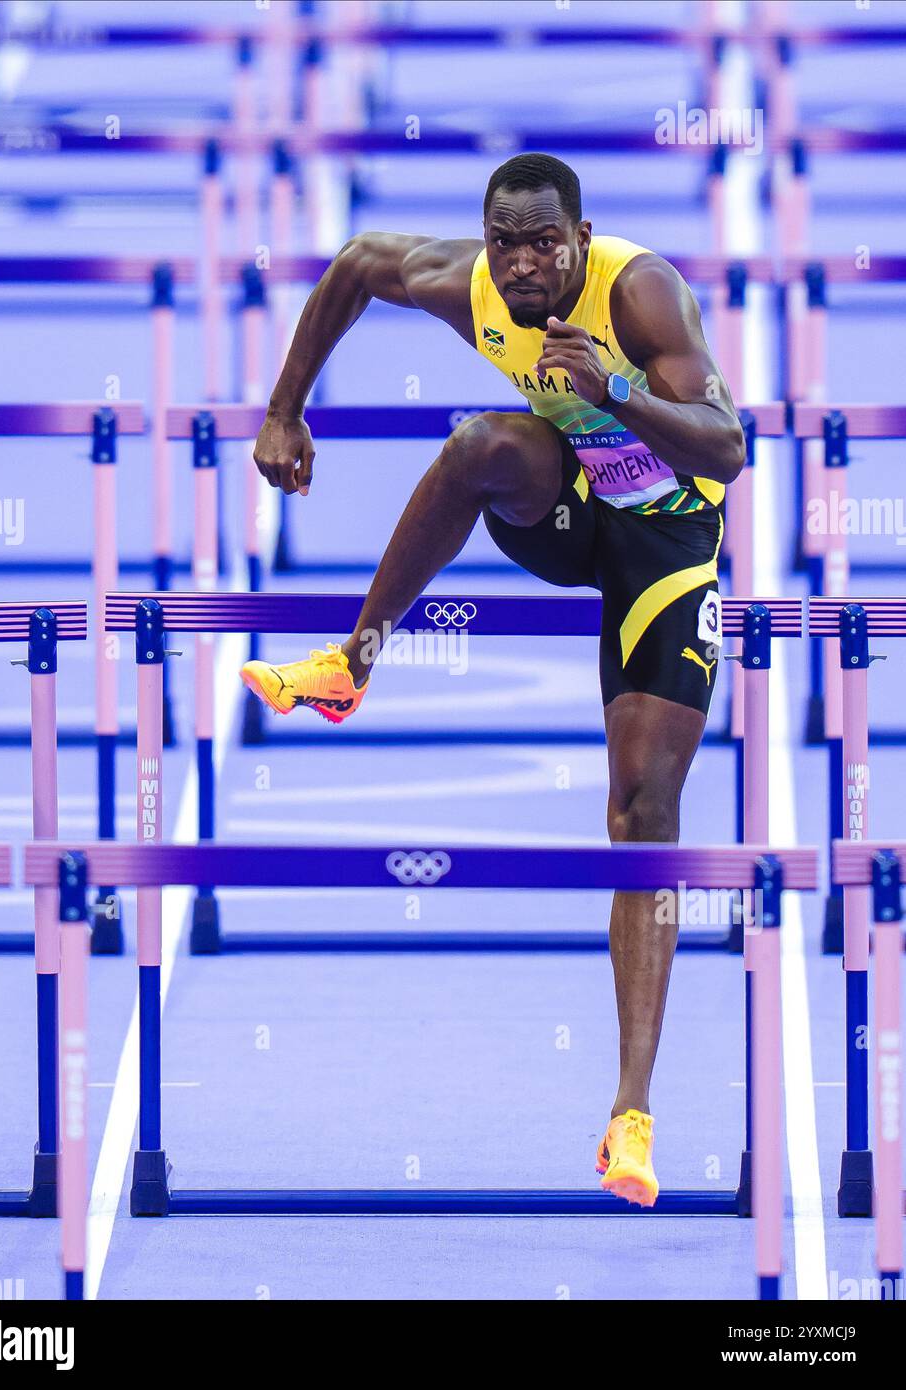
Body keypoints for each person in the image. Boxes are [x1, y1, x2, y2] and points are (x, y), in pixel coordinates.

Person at [242, 152, 746, 1207]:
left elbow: (726, 449)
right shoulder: (468, 284)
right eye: (504, 243)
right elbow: (353, 263)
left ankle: (629, 1114)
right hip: (564, 514)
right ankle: (350, 661)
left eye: (543, 243)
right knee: (479, 442)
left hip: (664, 538)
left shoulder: (637, 290)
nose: (522, 265)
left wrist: (608, 388)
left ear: (578, 237)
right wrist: (285, 408)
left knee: (643, 806)